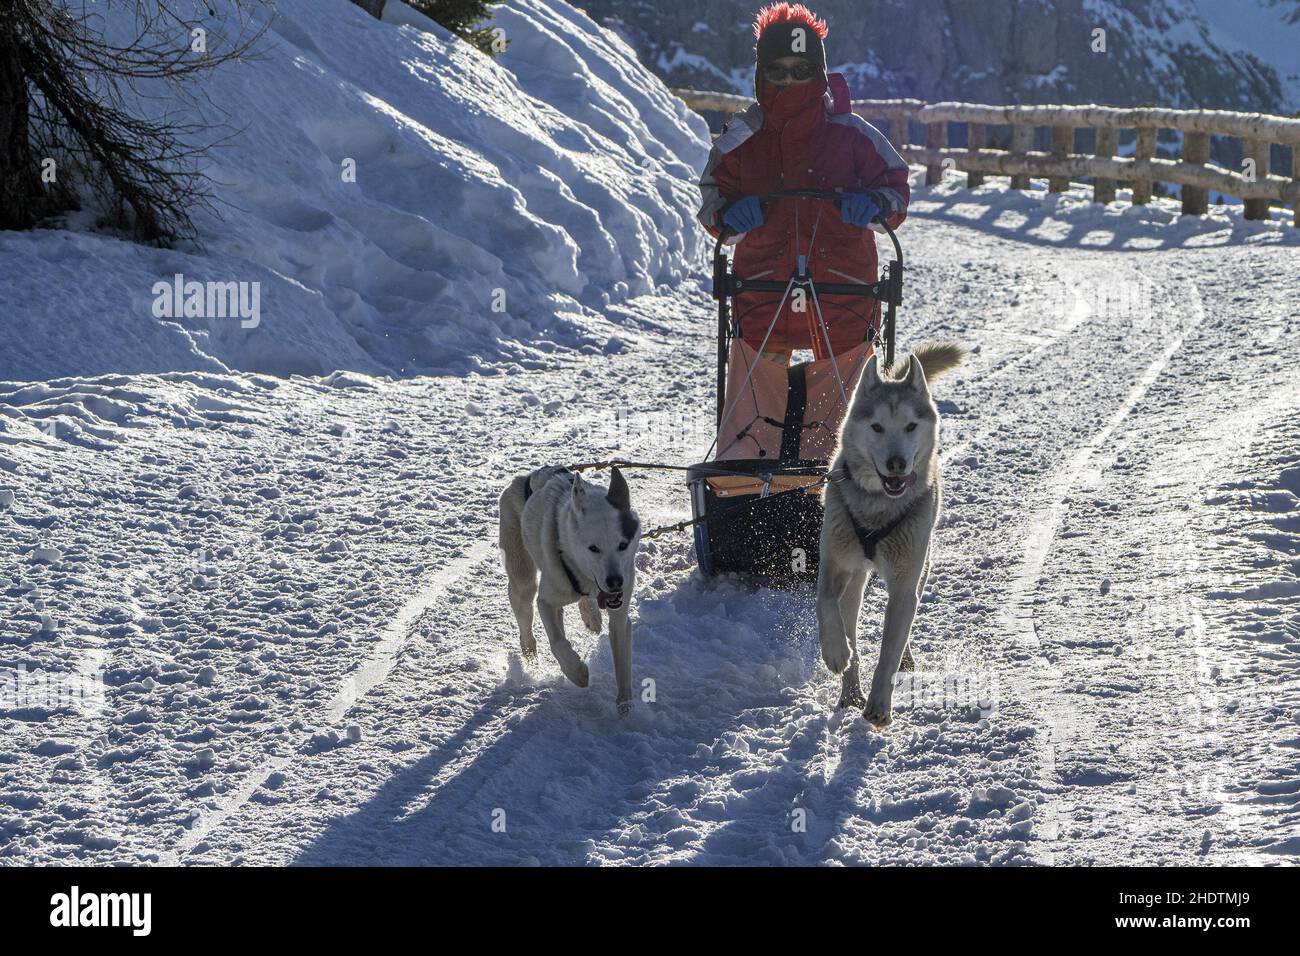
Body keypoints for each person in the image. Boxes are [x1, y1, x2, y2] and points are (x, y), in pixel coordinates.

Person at [698, 2, 910, 365]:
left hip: (843, 286)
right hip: (764, 286)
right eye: (777, 72)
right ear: (760, 76)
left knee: (843, 406)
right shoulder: (740, 141)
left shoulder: (853, 135)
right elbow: (712, 202)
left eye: (802, 70)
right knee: (759, 404)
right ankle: (761, 422)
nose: (789, 82)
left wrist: (875, 204)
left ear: (821, 74)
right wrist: (731, 214)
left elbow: (897, 190)